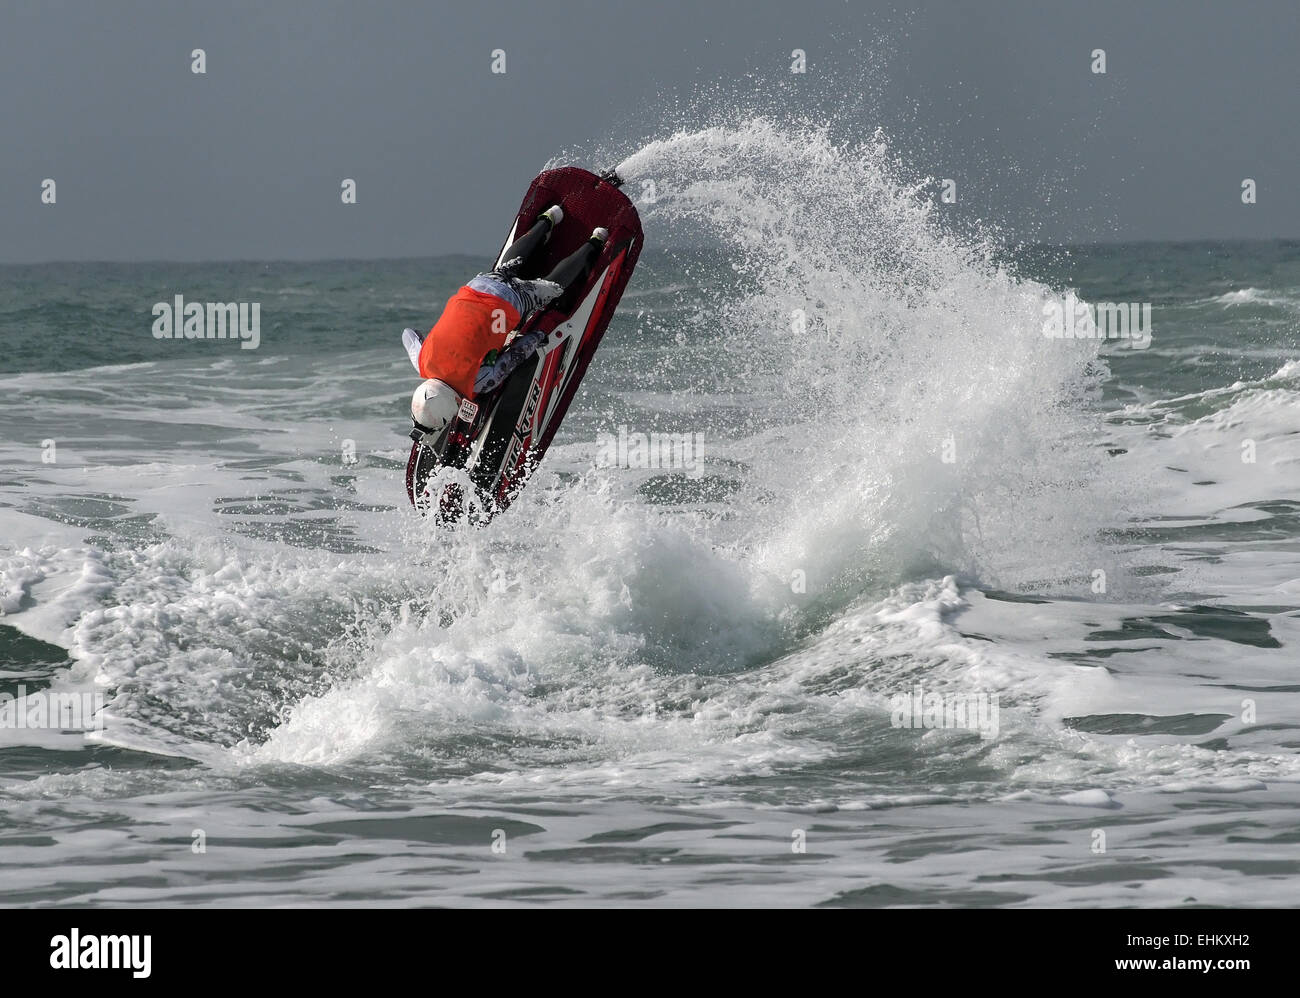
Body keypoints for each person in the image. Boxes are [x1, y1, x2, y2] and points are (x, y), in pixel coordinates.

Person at [410, 205, 608, 434]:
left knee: (550, 289)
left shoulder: (478, 383)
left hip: (509, 304)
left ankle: (596, 240)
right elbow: (409, 333)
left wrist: (539, 334)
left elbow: (517, 354)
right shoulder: (422, 360)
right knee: (506, 269)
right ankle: (549, 218)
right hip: (476, 288)